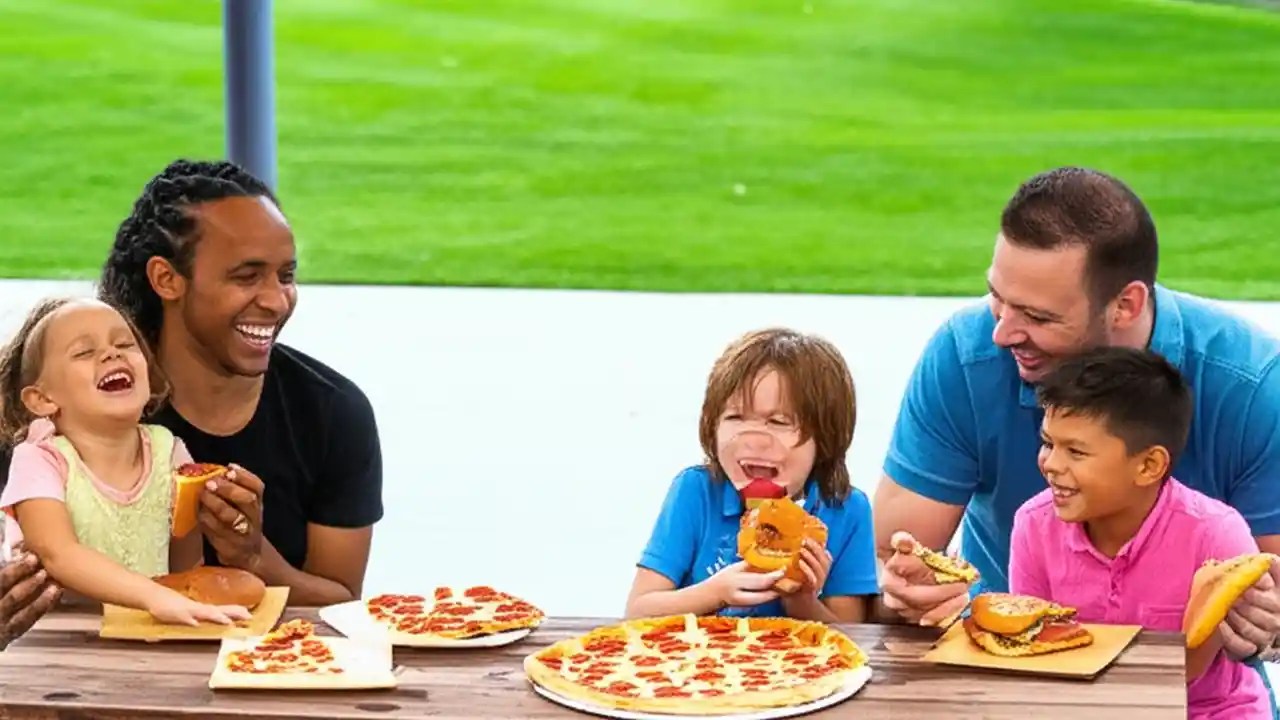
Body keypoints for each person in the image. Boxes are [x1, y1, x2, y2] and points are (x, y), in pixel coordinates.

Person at [872, 168, 1280, 675]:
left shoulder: (1253, 386)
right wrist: (907, 589)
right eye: (997, 297)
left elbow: (1271, 586)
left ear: (1126, 304)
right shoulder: (964, 355)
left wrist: (1269, 624)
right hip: (1009, 676)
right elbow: (890, 555)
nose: (1002, 332)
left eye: (1038, 317)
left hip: (1196, 693)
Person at [0, 159, 385, 647]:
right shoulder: (48, 417)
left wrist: (252, 558)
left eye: (285, 275)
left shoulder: (333, 413)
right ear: (166, 279)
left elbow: (343, 604)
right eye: (247, 277)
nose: (276, 300)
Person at [1010, 346, 1270, 718]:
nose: (1051, 464)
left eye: (1076, 452)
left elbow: (1186, 670)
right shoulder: (1033, 525)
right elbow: (1034, 651)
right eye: (1049, 443)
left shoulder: (1216, 536)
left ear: (1149, 465)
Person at [0, 297, 251, 626]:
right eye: (84, 352)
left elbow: (183, 568)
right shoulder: (39, 459)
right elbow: (57, 553)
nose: (111, 353)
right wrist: (154, 597)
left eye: (124, 344)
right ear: (42, 399)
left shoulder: (170, 451)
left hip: (143, 633)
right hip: (54, 642)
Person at [625, 328, 878, 622]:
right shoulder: (695, 491)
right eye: (735, 418)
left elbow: (853, 636)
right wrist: (715, 592)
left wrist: (800, 599)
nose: (754, 439)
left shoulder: (846, 510)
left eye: (779, 422)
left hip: (796, 665)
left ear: (825, 437)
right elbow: (637, 611)